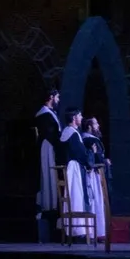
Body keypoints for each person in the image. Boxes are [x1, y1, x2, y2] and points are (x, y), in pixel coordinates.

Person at [56, 110, 95, 239]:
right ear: (74, 118)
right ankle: (78, 231)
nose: (82, 117)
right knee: (77, 198)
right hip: (75, 170)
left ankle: (72, 229)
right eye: (79, 115)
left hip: (70, 168)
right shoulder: (73, 134)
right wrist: (91, 152)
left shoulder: (65, 132)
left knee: (73, 197)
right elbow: (82, 154)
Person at [33, 90, 62, 234]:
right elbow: (50, 132)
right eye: (57, 97)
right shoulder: (44, 114)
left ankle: (52, 204)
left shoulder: (50, 113)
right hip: (48, 146)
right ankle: (47, 204)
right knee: (48, 173)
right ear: (51, 98)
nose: (59, 100)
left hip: (52, 146)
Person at [81, 117, 109, 240]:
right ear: (89, 127)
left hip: (90, 174)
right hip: (94, 175)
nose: (98, 126)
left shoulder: (83, 138)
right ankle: (95, 232)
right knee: (95, 201)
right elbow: (97, 157)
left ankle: (93, 232)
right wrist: (105, 161)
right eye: (96, 123)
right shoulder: (91, 140)